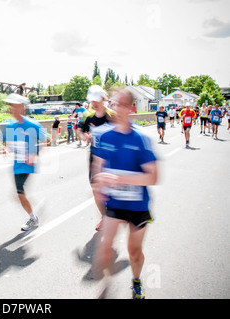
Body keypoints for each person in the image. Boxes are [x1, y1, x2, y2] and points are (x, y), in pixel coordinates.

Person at [92, 89, 158, 299]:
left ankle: (136, 281)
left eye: (122, 104)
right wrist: (99, 184)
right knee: (103, 251)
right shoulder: (105, 136)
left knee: (134, 252)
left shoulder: (142, 138)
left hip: (138, 205)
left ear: (131, 108)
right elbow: (98, 166)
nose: (117, 108)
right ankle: (106, 289)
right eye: (114, 104)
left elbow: (153, 177)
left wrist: (120, 179)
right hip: (115, 203)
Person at [2, 93, 47, 231]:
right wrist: (5, 148)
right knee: (18, 195)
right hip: (17, 164)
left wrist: (35, 154)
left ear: (21, 107)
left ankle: (33, 218)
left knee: (20, 193)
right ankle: (34, 209)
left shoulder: (33, 125)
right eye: (10, 107)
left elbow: (47, 140)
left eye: (14, 106)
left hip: (27, 165)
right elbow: (7, 142)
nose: (11, 109)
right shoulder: (10, 125)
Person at [82, 85, 115, 231]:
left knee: (111, 190)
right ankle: (105, 217)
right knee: (96, 189)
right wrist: (84, 137)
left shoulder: (112, 117)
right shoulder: (89, 118)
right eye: (91, 101)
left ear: (103, 99)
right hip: (95, 158)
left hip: (112, 160)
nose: (93, 103)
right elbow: (81, 131)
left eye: (96, 100)